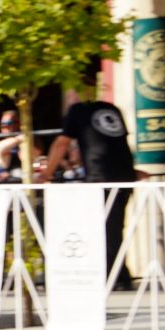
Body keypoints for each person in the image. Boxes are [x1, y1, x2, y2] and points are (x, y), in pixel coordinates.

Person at [48, 85, 140, 285]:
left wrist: (46, 173)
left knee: (104, 228)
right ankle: (119, 274)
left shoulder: (77, 111)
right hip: (124, 175)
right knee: (115, 226)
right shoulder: (111, 108)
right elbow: (118, 142)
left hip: (101, 177)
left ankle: (114, 276)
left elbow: (61, 143)